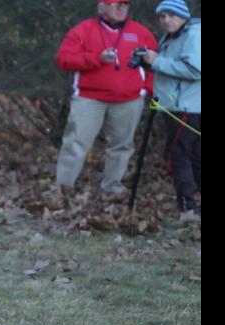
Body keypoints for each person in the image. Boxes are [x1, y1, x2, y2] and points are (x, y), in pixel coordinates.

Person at [53, 1, 155, 197]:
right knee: (76, 143)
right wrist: (96, 58)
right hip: (89, 98)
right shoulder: (83, 30)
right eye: (115, 3)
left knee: (122, 146)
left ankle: (112, 188)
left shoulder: (141, 33)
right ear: (102, 7)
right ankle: (62, 190)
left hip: (129, 99)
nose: (120, 8)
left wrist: (146, 89)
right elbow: (63, 60)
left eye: (124, 4)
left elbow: (154, 64)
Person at [145, 0, 200, 218]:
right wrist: (149, 62)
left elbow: (195, 70)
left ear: (184, 16)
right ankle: (191, 206)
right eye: (162, 16)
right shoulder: (172, 36)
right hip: (175, 105)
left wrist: (157, 62)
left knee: (178, 156)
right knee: (194, 156)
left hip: (187, 107)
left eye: (172, 15)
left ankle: (188, 208)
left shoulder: (194, 35)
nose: (166, 20)